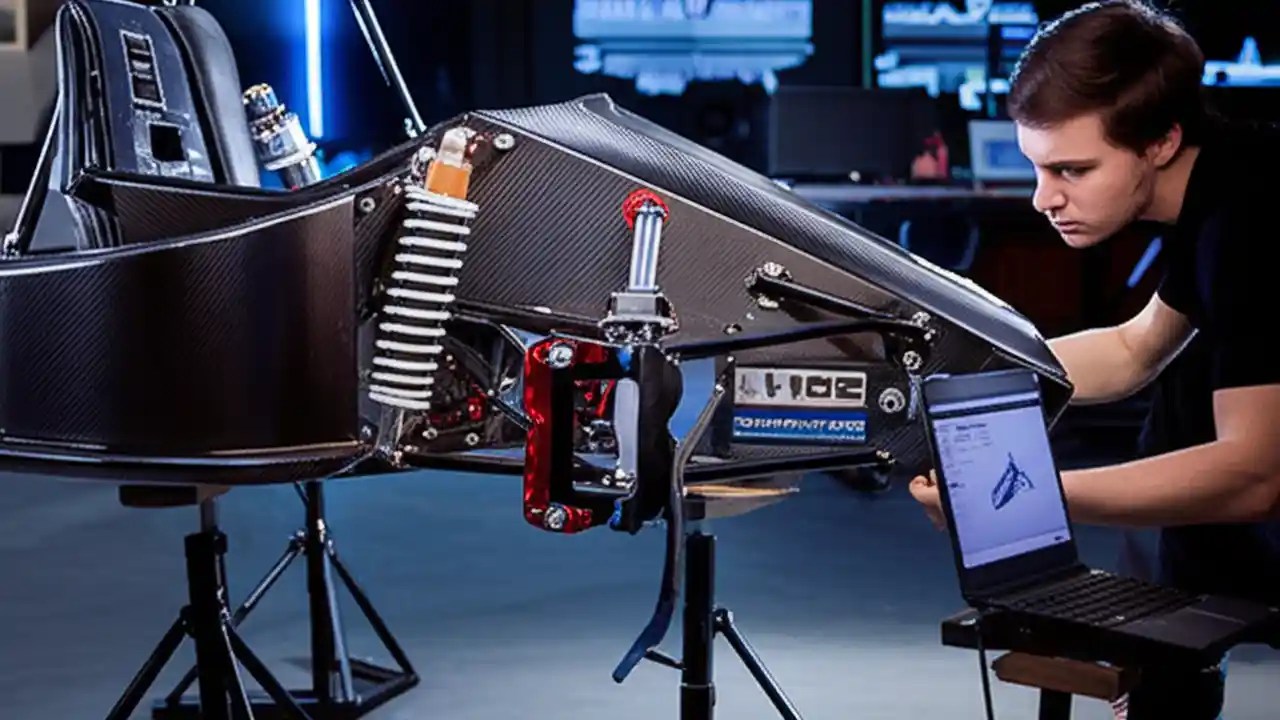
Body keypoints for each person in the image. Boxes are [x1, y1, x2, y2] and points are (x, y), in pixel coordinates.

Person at [906, 1, 1280, 716]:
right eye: (1040, 169)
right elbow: (1135, 348)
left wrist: (1024, 496)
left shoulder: (1250, 223)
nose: (1045, 199)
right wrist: (959, 373)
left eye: (1072, 170)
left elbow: (1254, 475)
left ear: (1162, 141)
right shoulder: (1221, 183)